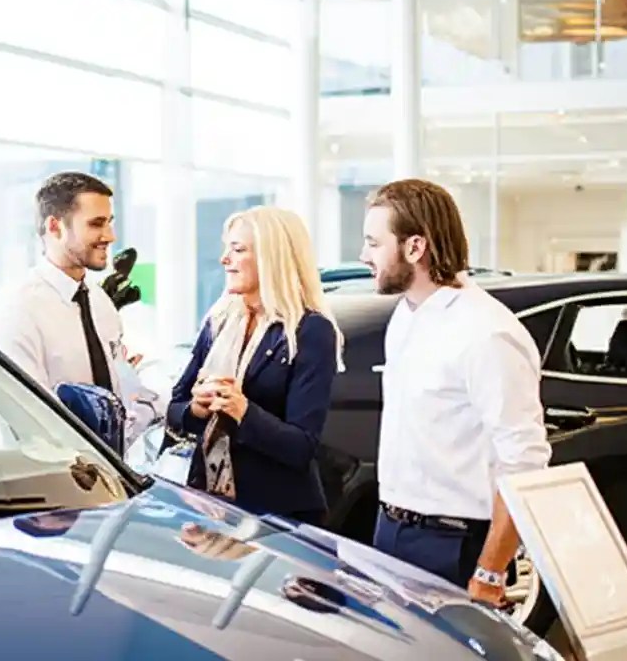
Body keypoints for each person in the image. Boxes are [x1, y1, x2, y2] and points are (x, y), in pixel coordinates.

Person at [359, 178, 552, 606]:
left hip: (454, 543)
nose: (363, 256)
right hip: (389, 529)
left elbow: (524, 462)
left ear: (415, 248)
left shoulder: (487, 332)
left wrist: (490, 571)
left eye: (374, 243)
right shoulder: (406, 315)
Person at [165, 205, 343, 524]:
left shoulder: (311, 331)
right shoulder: (219, 322)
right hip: (208, 506)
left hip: (277, 517)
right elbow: (174, 409)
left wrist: (243, 411)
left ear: (271, 258)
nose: (224, 260)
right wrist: (196, 410)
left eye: (237, 250)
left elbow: (301, 446)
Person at [0, 171, 134, 399]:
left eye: (109, 223)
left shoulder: (100, 301)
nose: (110, 236)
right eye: (96, 224)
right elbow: (30, 413)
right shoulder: (19, 310)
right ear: (55, 227)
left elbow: (122, 392)